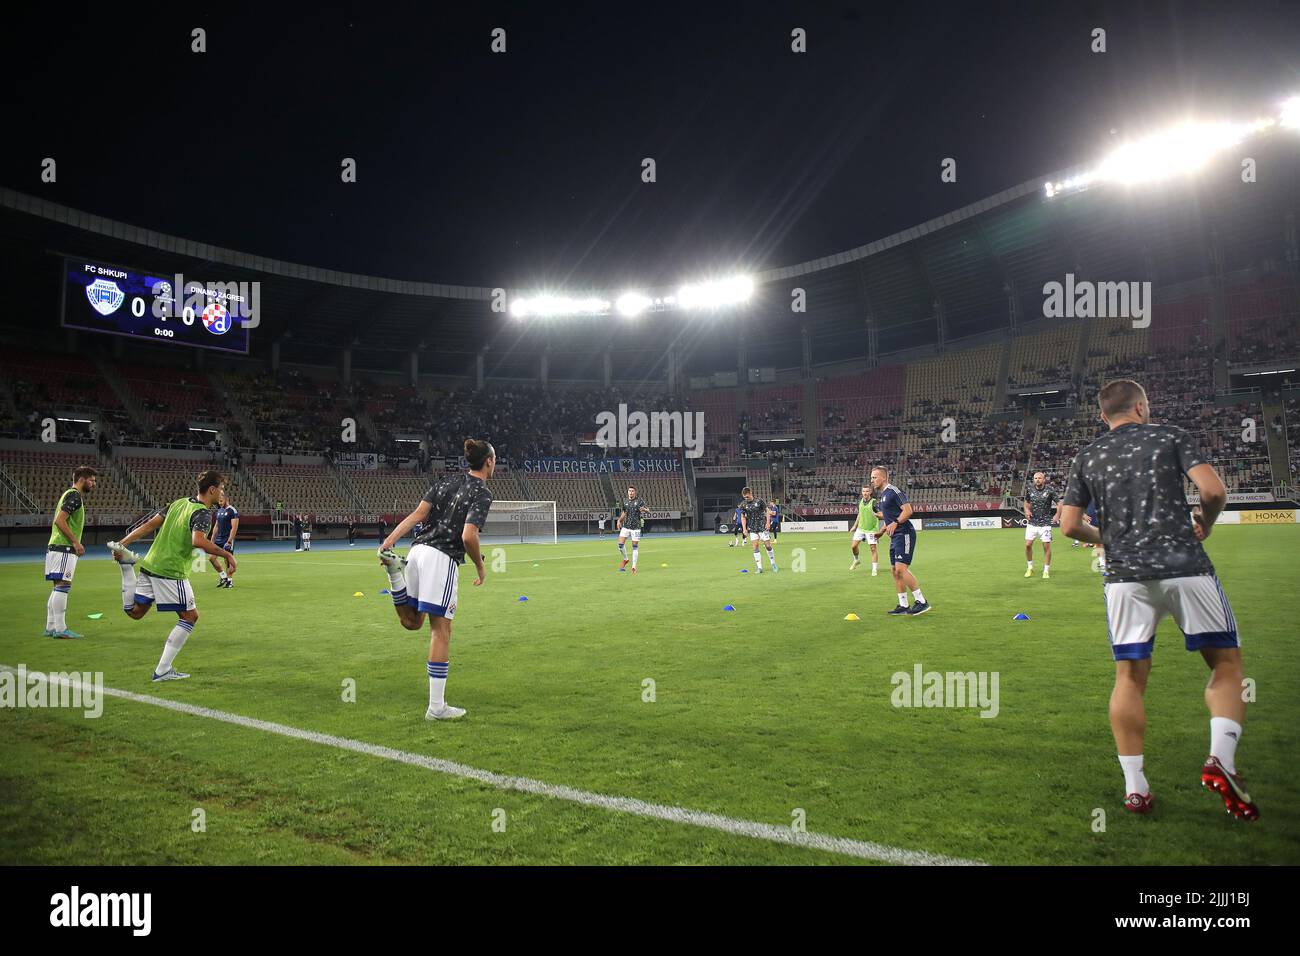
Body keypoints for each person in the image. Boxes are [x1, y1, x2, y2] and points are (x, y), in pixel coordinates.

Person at [1060, 379, 1256, 821]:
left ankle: (1136, 789)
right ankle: (1221, 758)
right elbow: (1213, 491)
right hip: (1185, 565)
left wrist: (1106, 538)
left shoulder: (1087, 455)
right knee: (1226, 666)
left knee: (1128, 678)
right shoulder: (1171, 436)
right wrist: (1204, 522)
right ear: (1142, 407)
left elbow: (1069, 525)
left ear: (1103, 416)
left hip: (1125, 577)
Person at [377, 439, 494, 720]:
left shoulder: (445, 481)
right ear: (489, 461)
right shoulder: (483, 493)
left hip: (416, 552)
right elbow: (468, 536)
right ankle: (437, 707)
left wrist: (388, 543)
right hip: (441, 559)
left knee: (412, 622)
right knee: (441, 630)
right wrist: (480, 566)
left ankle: (395, 573)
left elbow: (417, 515)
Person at [107, 469, 235, 681]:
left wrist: (123, 543)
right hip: (170, 571)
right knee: (190, 616)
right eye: (221, 489)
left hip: (150, 564)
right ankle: (163, 670)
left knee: (136, 612)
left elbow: (148, 526)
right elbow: (198, 541)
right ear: (212, 489)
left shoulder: (178, 503)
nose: (222, 494)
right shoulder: (203, 512)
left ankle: (127, 566)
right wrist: (227, 555)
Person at [43, 465, 98, 639]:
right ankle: (61, 629)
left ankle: (51, 627)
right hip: (64, 548)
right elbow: (60, 520)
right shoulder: (75, 496)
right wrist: (76, 542)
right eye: (92, 480)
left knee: (57, 587)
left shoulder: (67, 494)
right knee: (63, 586)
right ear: (82, 480)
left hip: (55, 547)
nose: (94, 484)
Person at [871, 466, 929, 615]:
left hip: (904, 533)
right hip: (895, 537)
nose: (872, 480)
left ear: (884, 477)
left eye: (875, 477)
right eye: (871, 478)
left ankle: (922, 601)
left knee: (901, 569)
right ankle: (903, 605)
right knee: (894, 572)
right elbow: (890, 518)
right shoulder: (883, 496)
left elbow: (908, 510)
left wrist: (896, 522)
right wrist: (882, 531)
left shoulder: (894, 491)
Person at [1023, 471, 1062, 579]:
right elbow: (1026, 503)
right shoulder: (1030, 489)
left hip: (1045, 522)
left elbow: (1059, 504)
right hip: (1032, 522)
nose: (1037, 480)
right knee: (1027, 545)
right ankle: (1030, 568)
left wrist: (1057, 515)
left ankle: (1046, 570)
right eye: (1035, 478)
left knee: (1046, 546)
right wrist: (1026, 511)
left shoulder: (1050, 490)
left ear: (1044, 479)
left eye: (1040, 478)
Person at [738, 486, 778, 574]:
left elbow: (767, 511)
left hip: (762, 527)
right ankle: (759, 568)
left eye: (747, 496)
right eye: (744, 497)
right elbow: (743, 517)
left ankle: (773, 563)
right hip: (752, 528)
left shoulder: (759, 501)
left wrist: (768, 522)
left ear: (750, 493)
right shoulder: (743, 504)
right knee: (755, 546)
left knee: (768, 546)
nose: (746, 498)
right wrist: (744, 529)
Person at [207, 490, 240, 588]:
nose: (220, 503)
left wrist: (229, 541)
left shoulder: (232, 511)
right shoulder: (219, 511)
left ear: (227, 500)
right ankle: (223, 576)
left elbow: (234, 528)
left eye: (221, 501)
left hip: (227, 540)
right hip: (218, 540)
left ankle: (230, 580)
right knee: (211, 558)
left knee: (227, 561)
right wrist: (212, 539)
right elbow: (216, 526)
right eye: (219, 501)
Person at [848, 484, 882, 575]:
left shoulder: (874, 502)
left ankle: (874, 569)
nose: (865, 493)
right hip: (861, 528)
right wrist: (855, 526)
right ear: (862, 492)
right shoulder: (861, 501)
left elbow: (880, 514)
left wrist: (877, 515)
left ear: (870, 492)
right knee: (853, 546)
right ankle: (856, 560)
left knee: (873, 549)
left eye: (867, 491)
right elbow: (859, 514)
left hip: (871, 529)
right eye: (863, 491)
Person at [615, 486, 649, 573]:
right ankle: (625, 559)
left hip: (636, 528)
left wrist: (644, 510)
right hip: (626, 526)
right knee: (620, 545)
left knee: (634, 547)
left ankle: (633, 567)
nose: (631, 492)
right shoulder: (625, 501)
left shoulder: (639, 501)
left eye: (632, 491)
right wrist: (619, 520)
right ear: (627, 492)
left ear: (635, 492)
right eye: (629, 491)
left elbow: (648, 510)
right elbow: (624, 513)